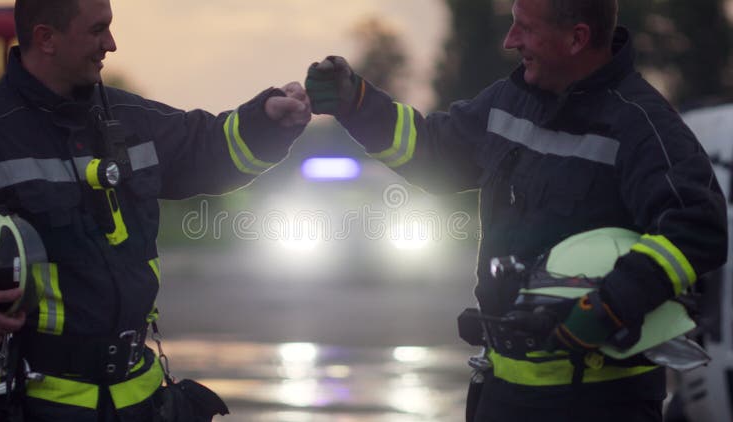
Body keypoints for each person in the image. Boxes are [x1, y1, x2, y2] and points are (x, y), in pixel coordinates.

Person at [305, 0, 727, 421]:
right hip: (504, 393)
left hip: (600, 402)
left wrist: (608, 308)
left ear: (577, 38)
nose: (511, 41)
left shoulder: (642, 125)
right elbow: (434, 150)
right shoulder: (510, 100)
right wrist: (357, 105)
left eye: (525, 28)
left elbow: (697, 227)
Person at [0, 0, 310, 420]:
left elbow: (207, 147)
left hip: (138, 401)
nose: (110, 44)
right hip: (36, 404)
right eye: (97, 30)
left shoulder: (132, 118)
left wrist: (268, 122)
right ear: (46, 38)